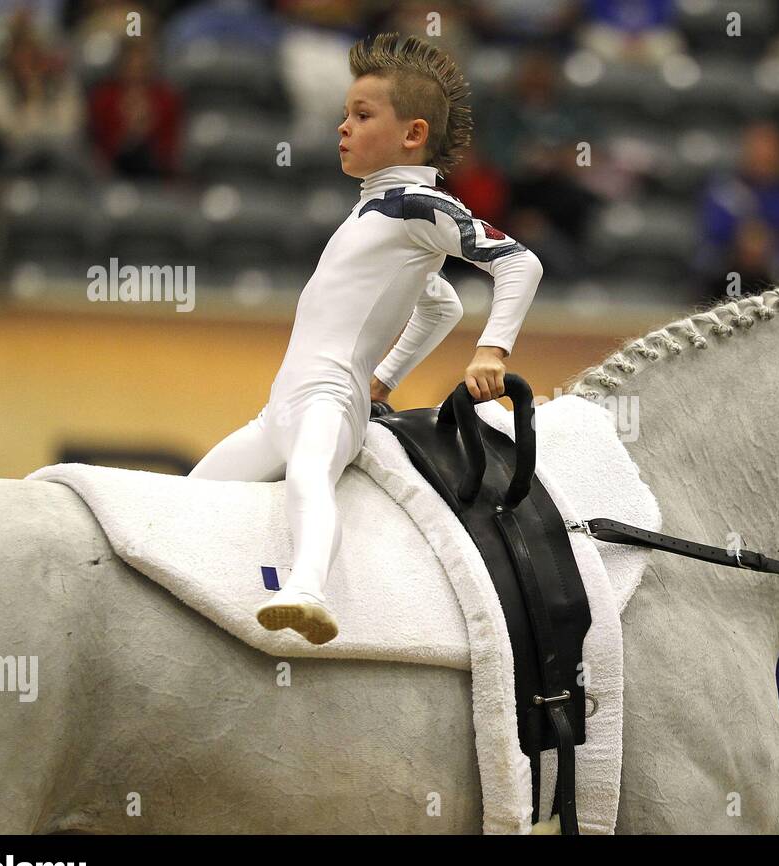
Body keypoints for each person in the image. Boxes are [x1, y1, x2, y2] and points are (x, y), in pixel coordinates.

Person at [187, 32, 543, 645]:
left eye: (361, 115)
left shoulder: (417, 205)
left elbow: (519, 261)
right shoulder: (374, 211)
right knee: (190, 500)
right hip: (283, 407)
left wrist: (492, 350)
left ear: (412, 134)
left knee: (308, 476)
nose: (343, 127)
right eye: (344, 114)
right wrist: (387, 378)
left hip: (328, 398)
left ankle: (308, 590)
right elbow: (440, 303)